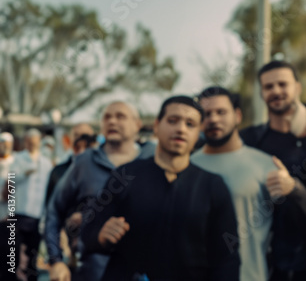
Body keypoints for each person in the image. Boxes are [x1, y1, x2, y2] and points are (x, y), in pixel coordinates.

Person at [82, 96, 239, 280]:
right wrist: (101, 235)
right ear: (157, 125)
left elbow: (227, 258)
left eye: (190, 124)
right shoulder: (125, 175)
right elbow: (88, 230)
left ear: (199, 132)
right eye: (172, 121)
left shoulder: (213, 186)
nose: (180, 128)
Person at [192, 86, 306, 281]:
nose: (214, 119)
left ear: (237, 115)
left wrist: (295, 190)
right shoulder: (187, 165)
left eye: (221, 112)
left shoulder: (267, 165)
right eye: (206, 114)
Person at [240, 60, 306, 280]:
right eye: (269, 86)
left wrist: (294, 189)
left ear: (297, 87)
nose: (276, 91)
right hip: (269, 266)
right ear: (261, 93)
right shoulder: (251, 140)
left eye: (283, 84)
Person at [45, 101, 155, 281]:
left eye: (120, 116)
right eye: (107, 117)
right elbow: (54, 211)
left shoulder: (152, 159)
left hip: (144, 272)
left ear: (137, 124)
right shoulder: (85, 163)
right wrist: (56, 260)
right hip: (92, 272)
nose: (112, 121)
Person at [8, 128, 52, 281]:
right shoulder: (18, 159)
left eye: (35, 142)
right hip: (19, 212)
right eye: (30, 142)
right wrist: (23, 174)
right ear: (26, 142)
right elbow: (9, 183)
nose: (32, 145)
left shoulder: (46, 163)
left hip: (37, 214)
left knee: (33, 254)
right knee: (13, 254)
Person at [46, 123, 96, 204]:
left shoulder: (103, 170)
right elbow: (51, 206)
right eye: (76, 135)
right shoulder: (57, 172)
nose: (81, 139)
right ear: (70, 140)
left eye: (85, 135)